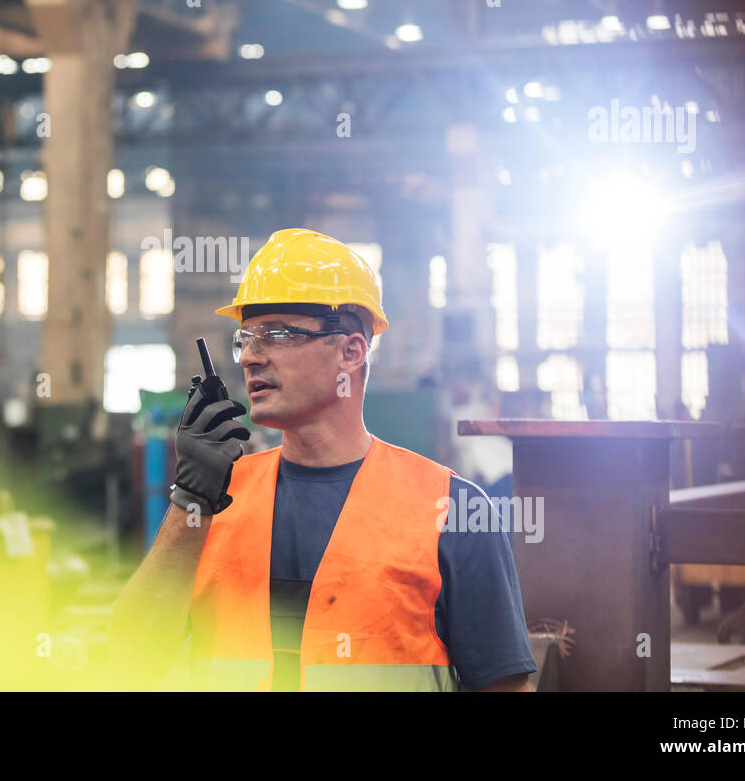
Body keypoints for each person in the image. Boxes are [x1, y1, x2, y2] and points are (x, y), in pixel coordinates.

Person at [110, 228, 536, 691]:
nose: (250, 357)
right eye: (245, 338)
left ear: (351, 352)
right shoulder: (214, 503)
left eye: (276, 334)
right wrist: (190, 497)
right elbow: (129, 662)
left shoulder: (450, 510)